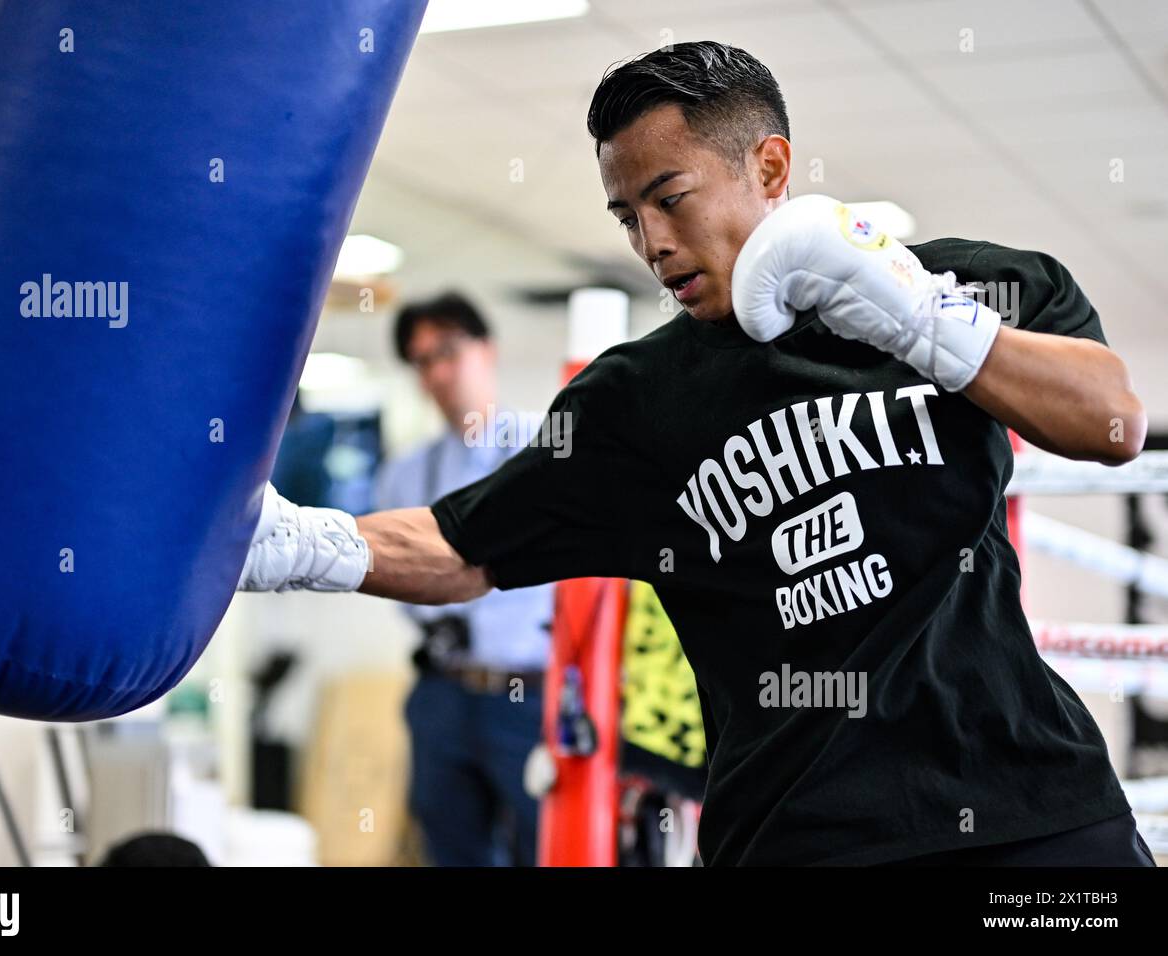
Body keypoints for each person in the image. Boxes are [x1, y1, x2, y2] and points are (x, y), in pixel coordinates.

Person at [239, 42, 1156, 866]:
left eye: (669, 199)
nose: (652, 243)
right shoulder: (636, 399)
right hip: (797, 835)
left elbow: (1111, 425)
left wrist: (919, 321)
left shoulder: (957, 282)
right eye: (627, 217)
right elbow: (464, 546)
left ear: (769, 165)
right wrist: (295, 547)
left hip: (1034, 811)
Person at [375, 292, 553, 866]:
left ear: (487, 350)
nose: (438, 372)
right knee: (449, 846)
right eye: (422, 361)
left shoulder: (547, 450)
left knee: (545, 844)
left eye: (448, 351)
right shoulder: (406, 474)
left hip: (529, 693)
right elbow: (391, 570)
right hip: (444, 691)